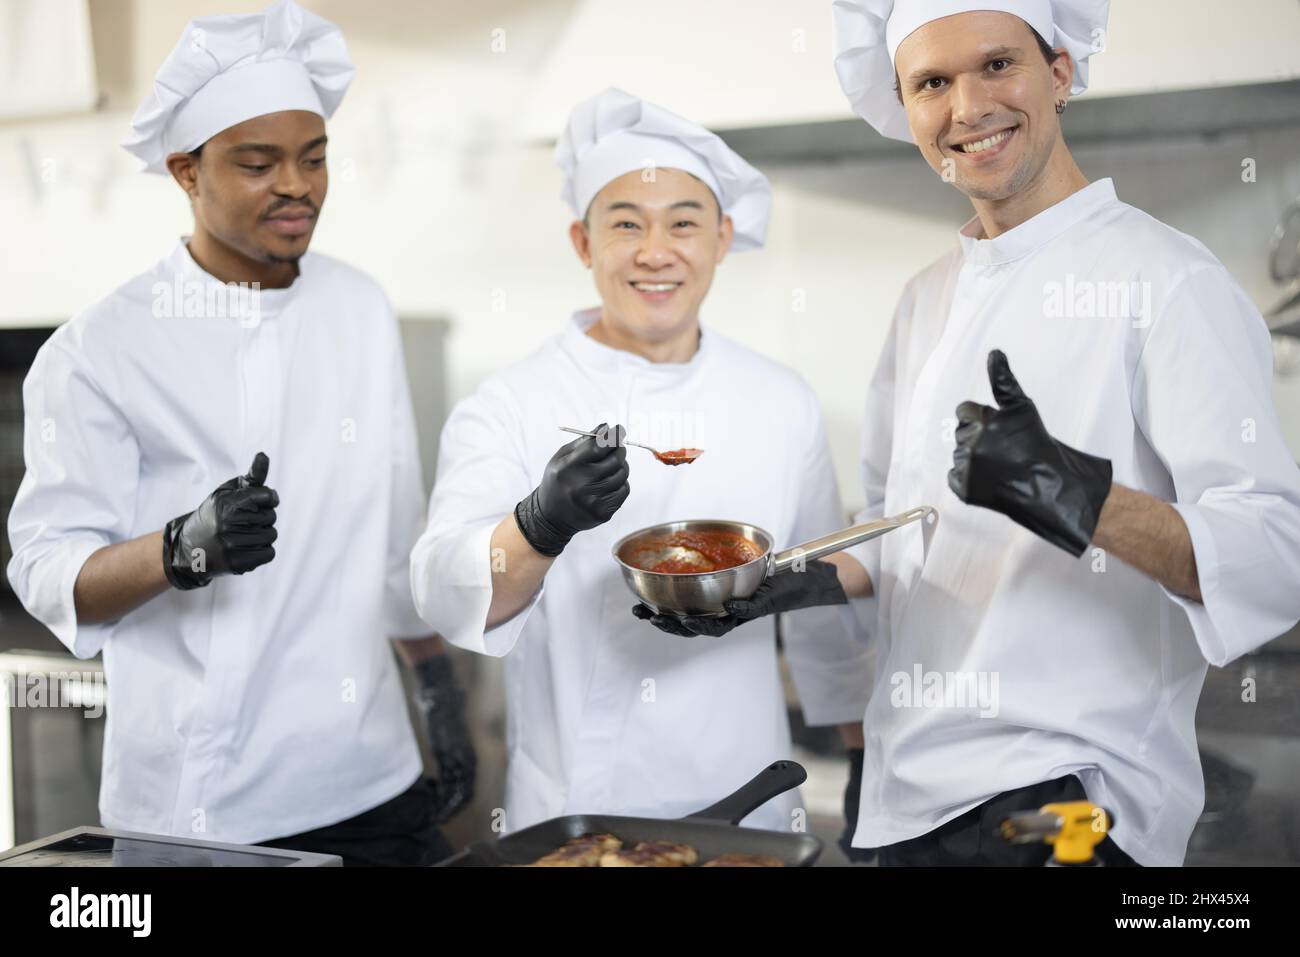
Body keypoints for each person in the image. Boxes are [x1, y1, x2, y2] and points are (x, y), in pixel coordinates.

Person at [647, 0, 1300, 865]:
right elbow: (904, 535)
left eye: (997, 65)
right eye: (931, 83)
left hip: (1069, 803)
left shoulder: (1168, 280)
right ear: (907, 110)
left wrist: (1080, 494)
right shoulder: (925, 297)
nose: (967, 108)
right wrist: (784, 584)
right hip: (907, 792)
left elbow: (1274, 553)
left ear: (1060, 72)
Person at [6, 0, 474, 866]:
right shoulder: (101, 349)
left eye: (315, 156)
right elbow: (44, 570)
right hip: (208, 803)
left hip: (371, 772)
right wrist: (182, 547)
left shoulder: (360, 307)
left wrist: (437, 684)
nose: (296, 184)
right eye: (258, 163)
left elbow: (393, 530)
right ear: (187, 172)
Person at [411, 89, 873, 844]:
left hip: (751, 805)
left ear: (722, 238)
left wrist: (860, 757)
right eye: (625, 223)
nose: (657, 251)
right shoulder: (512, 403)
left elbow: (821, 593)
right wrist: (539, 523)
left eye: (684, 223)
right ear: (582, 242)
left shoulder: (781, 400)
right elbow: (442, 590)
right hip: (580, 813)